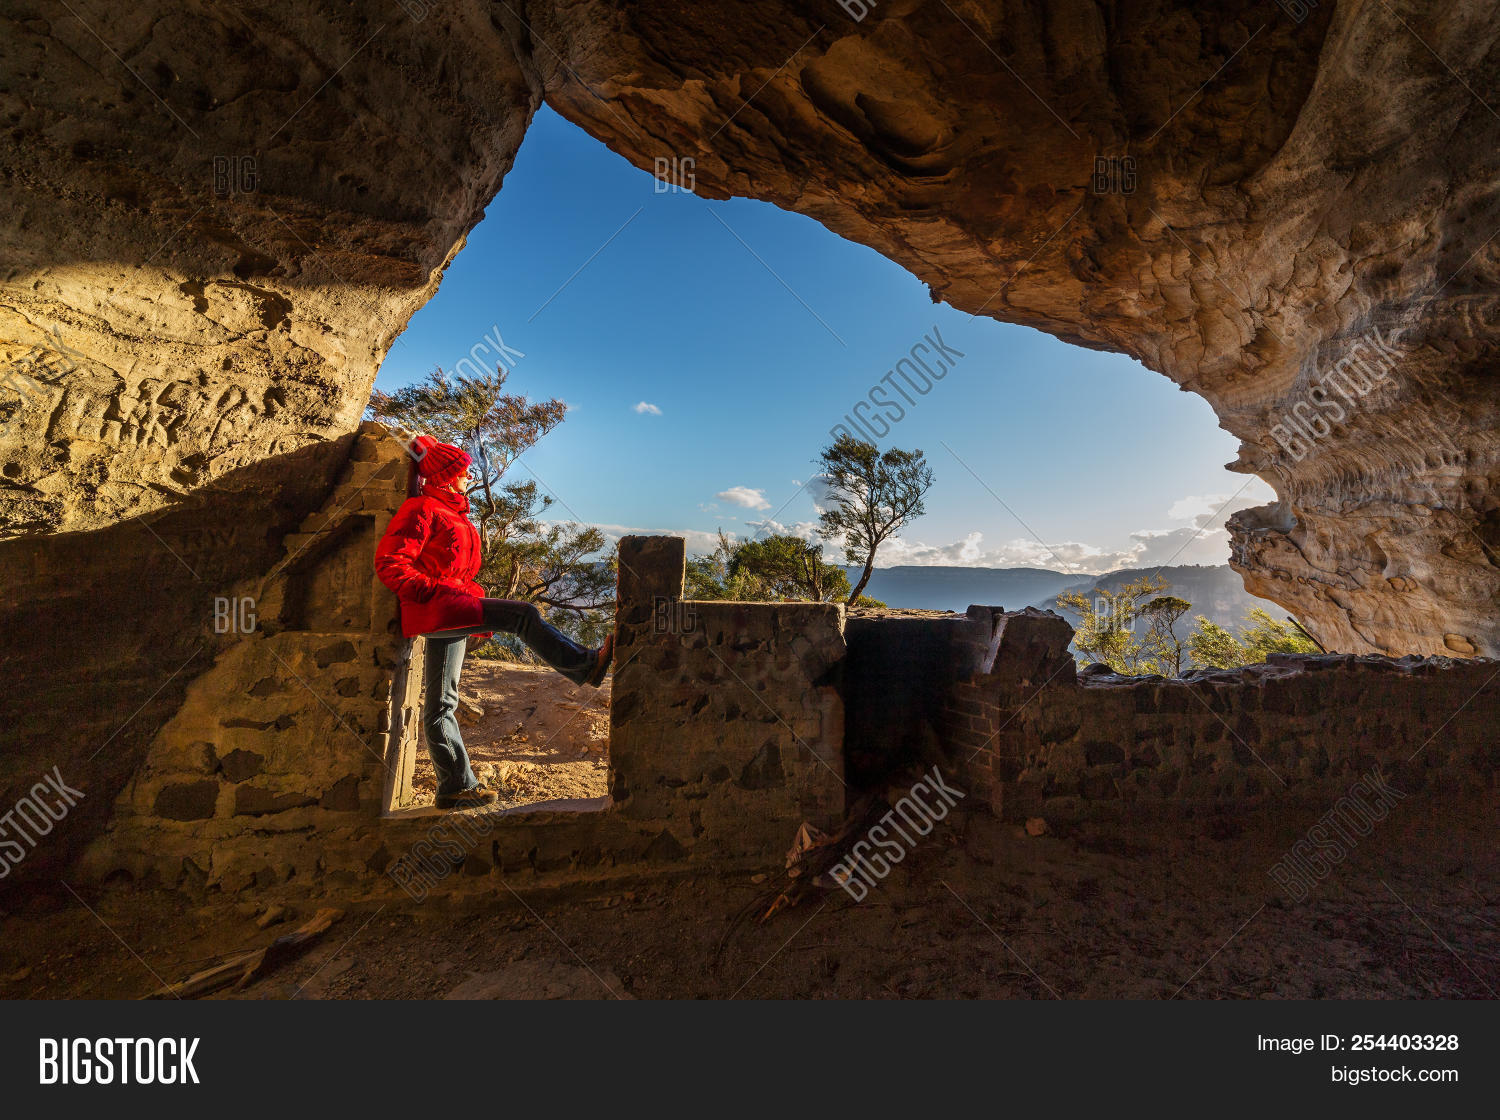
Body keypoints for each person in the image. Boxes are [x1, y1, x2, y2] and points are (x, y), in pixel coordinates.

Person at [374, 434, 613, 810]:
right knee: (523, 615)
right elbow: (390, 563)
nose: (469, 478)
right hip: (442, 605)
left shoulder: (453, 513)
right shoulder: (421, 509)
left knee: (440, 704)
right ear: (447, 476)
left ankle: (455, 786)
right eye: (464, 472)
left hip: (450, 606)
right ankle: (586, 666)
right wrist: (430, 593)